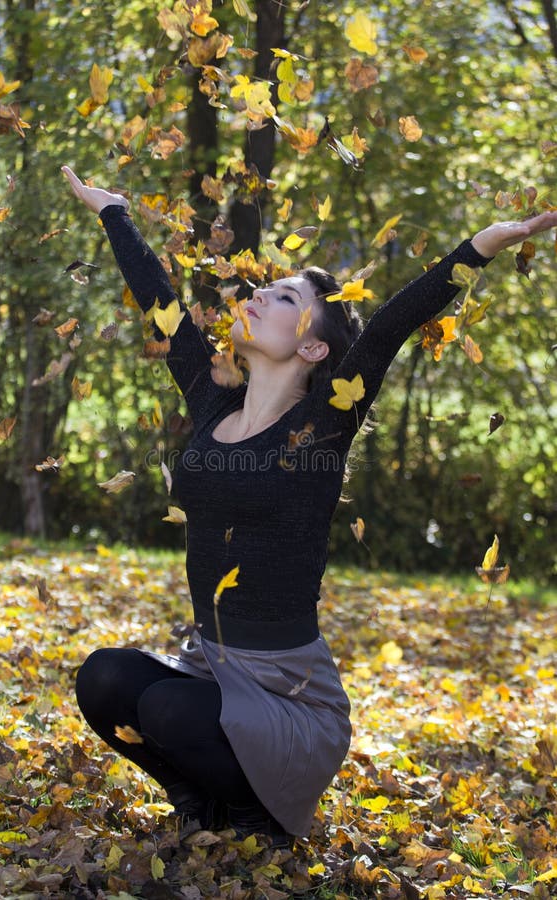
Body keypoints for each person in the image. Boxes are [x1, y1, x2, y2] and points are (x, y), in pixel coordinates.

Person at [62, 165, 556, 846]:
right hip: (212, 664)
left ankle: (254, 816)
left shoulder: (321, 422)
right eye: (264, 286)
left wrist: (481, 247)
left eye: (285, 295)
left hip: (287, 699)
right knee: (105, 678)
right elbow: (161, 306)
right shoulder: (211, 403)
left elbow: (390, 325)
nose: (260, 293)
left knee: (166, 708)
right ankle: (191, 796)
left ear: (314, 345)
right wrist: (114, 210)